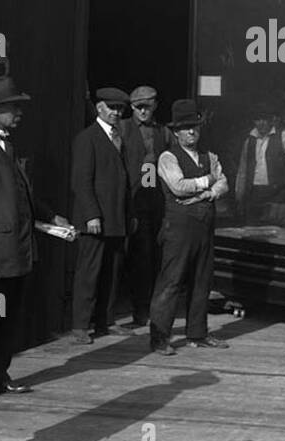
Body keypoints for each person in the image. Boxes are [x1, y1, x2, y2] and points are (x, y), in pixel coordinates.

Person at [0, 76, 72, 405]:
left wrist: (50, 216)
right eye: (13, 106)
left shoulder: (5, 143)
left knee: (5, 317)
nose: (19, 112)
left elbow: (21, 195)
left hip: (17, 251)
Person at [149, 99, 230, 355]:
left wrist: (207, 193)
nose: (192, 132)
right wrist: (207, 180)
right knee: (171, 282)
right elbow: (178, 186)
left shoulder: (210, 156)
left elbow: (224, 184)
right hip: (178, 228)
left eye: (195, 126)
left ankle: (198, 333)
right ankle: (160, 338)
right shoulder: (167, 157)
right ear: (175, 132)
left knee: (202, 281)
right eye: (185, 128)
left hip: (204, 225)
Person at [70, 87, 134, 343]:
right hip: (95, 220)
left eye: (120, 109)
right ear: (99, 108)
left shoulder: (119, 137)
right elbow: (81, 182)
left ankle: (105, 321)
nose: (116, 113)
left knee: (112, 271)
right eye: (112, 108)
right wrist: (91, 215)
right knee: (89, 273)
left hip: (116, 218)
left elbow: (124, 181)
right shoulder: (87, 139)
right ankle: (80, 325)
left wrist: (129, 214)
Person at [121, 84, 169, 328]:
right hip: (130, 200)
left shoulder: (163, 132)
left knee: (152, 256)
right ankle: (130, 310)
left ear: (155, 106)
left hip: (155, 202)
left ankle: (148, 309)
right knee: (132, 256)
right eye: (138, 107)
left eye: (147, 107)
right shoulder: (122, 129)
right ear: (131, 107)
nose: (143, 111)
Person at [235, 103, 285, 223]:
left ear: (271, 120)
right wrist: (239, 197)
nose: (261, 123)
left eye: (264, 119)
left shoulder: (283, 136)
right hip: (254, 195)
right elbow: (243, 171)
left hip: (277, 194)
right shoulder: (249, 141)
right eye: (258, 119)